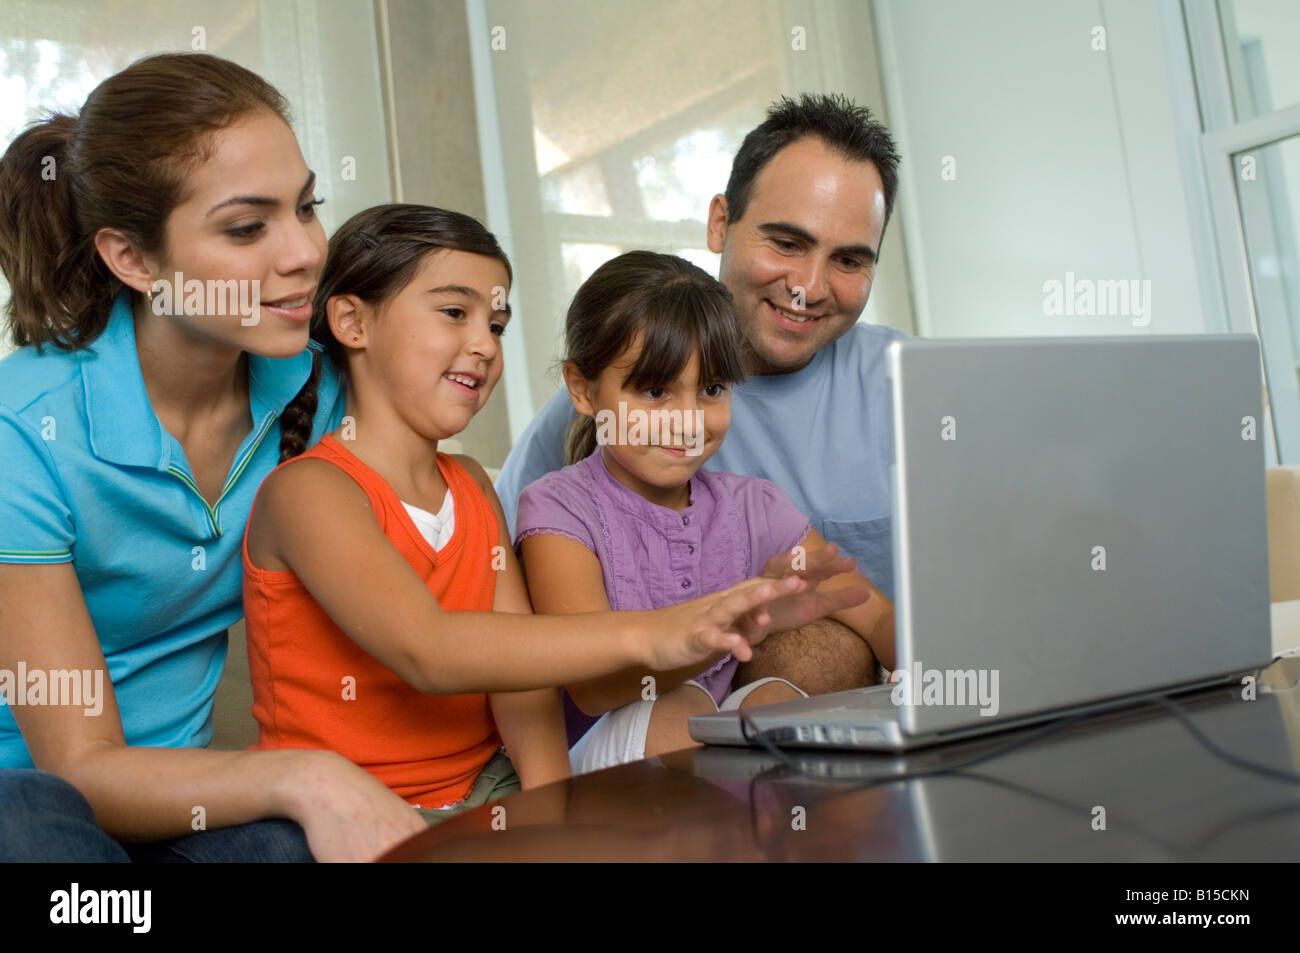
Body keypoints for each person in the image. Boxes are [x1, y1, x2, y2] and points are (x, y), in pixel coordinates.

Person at [245, 206, 863, 812]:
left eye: (496, 325)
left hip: (487, 790)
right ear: (353, 322)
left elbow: (524, 678)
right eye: (455, 313)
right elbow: (427, 649)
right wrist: (668, 632)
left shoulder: (469, 487)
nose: (483, 345)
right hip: (354, 808)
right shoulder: (309, 492)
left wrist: (547, 812)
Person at [0, 52, 435, 863]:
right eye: (247, 227)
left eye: (307, 207)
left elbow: (440, 557)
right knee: (25, 815)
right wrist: (305, 774)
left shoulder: (319, 385)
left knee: (286, 847)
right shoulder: (22, 430)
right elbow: (78, 766)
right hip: (37, 812)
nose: (305, 251)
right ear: (132, 259)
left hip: (186, 809)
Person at [496, 93, 905, 698]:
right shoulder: (575, 463)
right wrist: (732, 623)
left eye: (847, 259)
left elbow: (881, 609)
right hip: (645, 715)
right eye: (787, 243)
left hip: (819, 705)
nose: (809, 287)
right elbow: (528, 635)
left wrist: (967, 687)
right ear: (721, 223)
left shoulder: (909, 390)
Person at [515, 251, 893, 773]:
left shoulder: (754, 505)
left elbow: (871, 613)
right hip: (591, 751)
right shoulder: (559, 509)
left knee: (777, 703)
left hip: (700, 742)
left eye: (712, 389)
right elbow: (595, 688)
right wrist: (732, 630)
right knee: (682, 708)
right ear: (582, 389)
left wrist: (937, 682)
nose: (688, 422)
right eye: (654, 391)